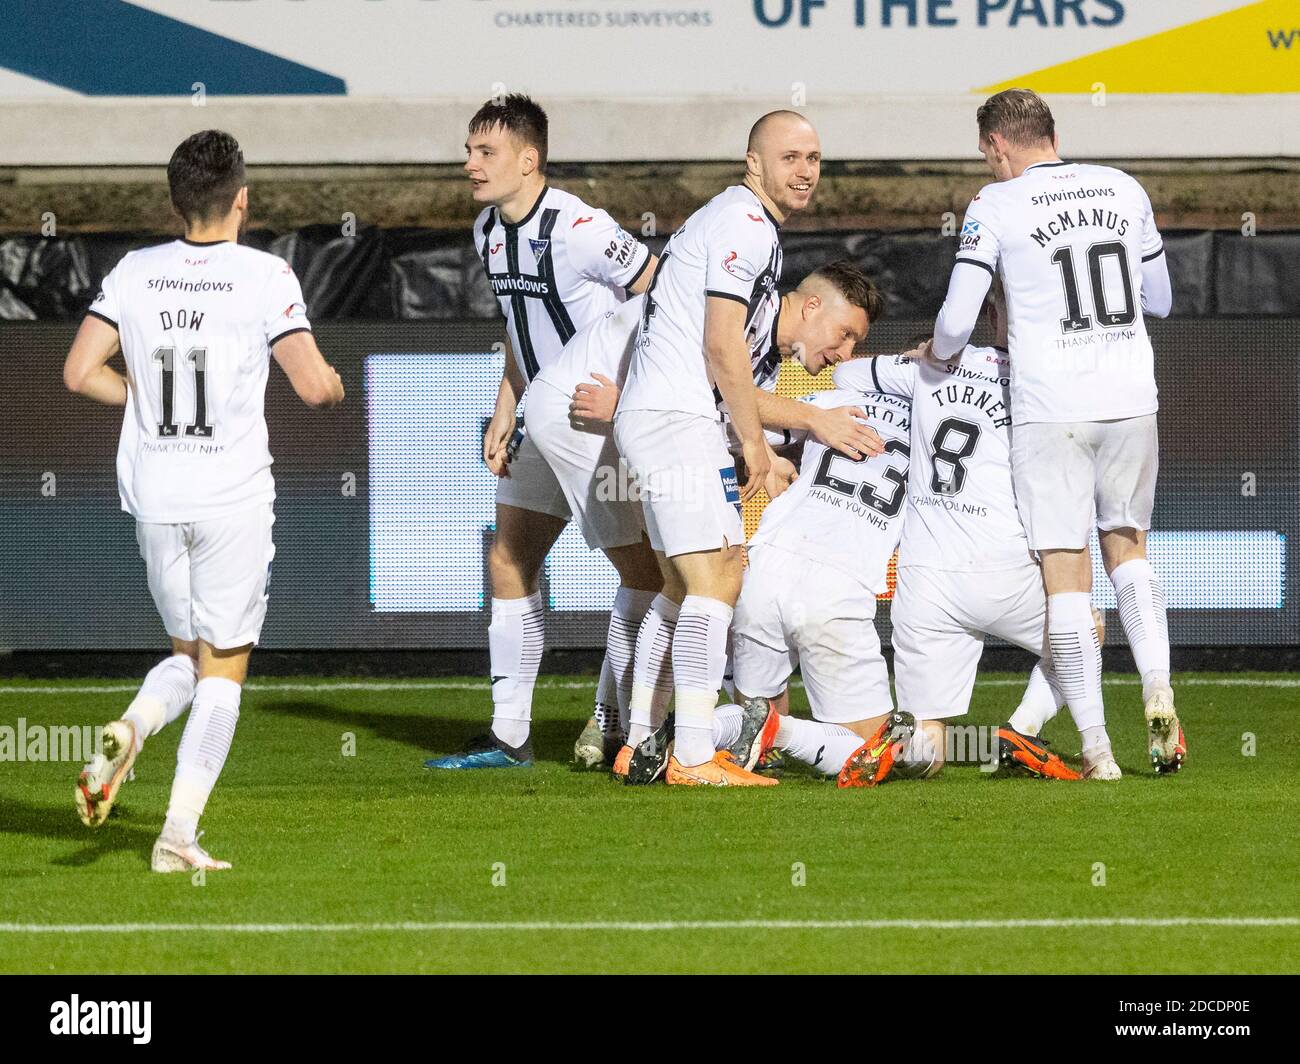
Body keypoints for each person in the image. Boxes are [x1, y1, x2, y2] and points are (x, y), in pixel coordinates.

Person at [65, 129, 344, 871]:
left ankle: (132, 727)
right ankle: (177, 836)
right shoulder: (265, 276)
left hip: (155, 495)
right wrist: (338, 384)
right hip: (230, 497)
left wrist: (140, 400)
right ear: (242, 199)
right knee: (225, 666)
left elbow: (76, 372)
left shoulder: (135, 271)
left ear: (175, 201)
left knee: (188, 654)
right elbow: (314, 387)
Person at [929, 88, 1183, 779]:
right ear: (1051, 133)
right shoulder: (1123, 187)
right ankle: (1158, 689)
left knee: (1065, 577)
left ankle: (1098, 749)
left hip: (1051, 407)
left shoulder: (994, 204)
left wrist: (941, 355)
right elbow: (1159, 299)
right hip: (1131, 398)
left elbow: (956, 320)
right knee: (1128, 549)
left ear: (995, 146)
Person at [426, 94, 660, 771]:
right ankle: (510, 735)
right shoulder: (487, 232)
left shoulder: (581, 227)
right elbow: (517, 325)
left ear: (529, 160)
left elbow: (661, 291)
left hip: (589, 420)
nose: (470, 164)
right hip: (539, 415)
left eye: (485, 152)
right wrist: (507, 404)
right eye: (470, 151)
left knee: (643, 570)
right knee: (509, 557)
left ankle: (629, 718)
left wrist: (628, 395)